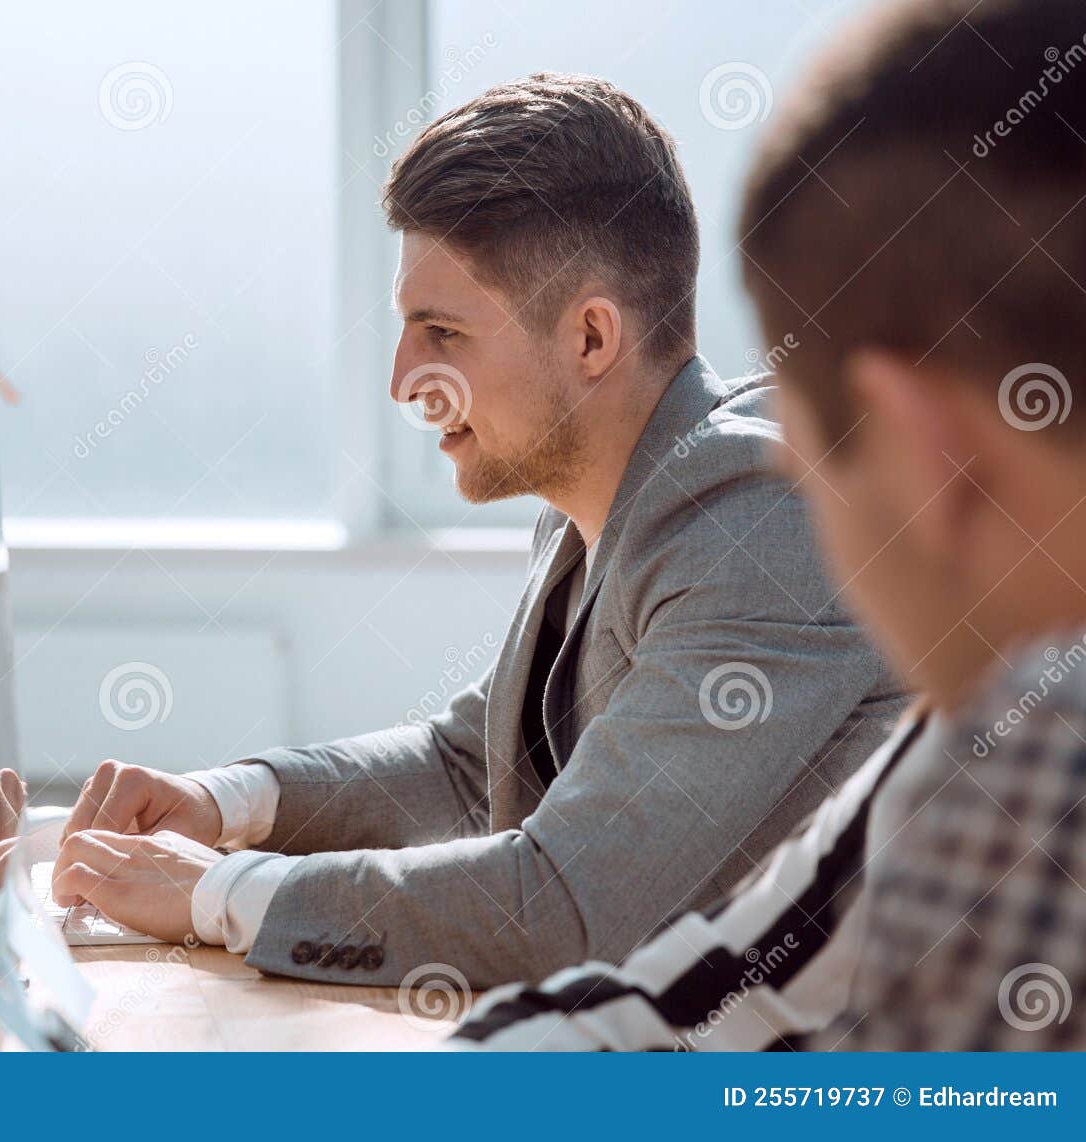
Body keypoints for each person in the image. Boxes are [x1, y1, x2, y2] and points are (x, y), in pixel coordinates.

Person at [0, 74, 907, 988]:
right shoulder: (608, 494)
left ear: (590, 339)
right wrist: (224, 806)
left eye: (442, 333)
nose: (401, 379)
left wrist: (217, 894)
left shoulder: (753, 514)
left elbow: (562, 908)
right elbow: (468, 765)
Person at [455, 0, 1086, 1049]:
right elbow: (730, 988)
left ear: (930, 456)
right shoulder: (971, 742)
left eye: (810, 456)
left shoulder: (1040, 746)